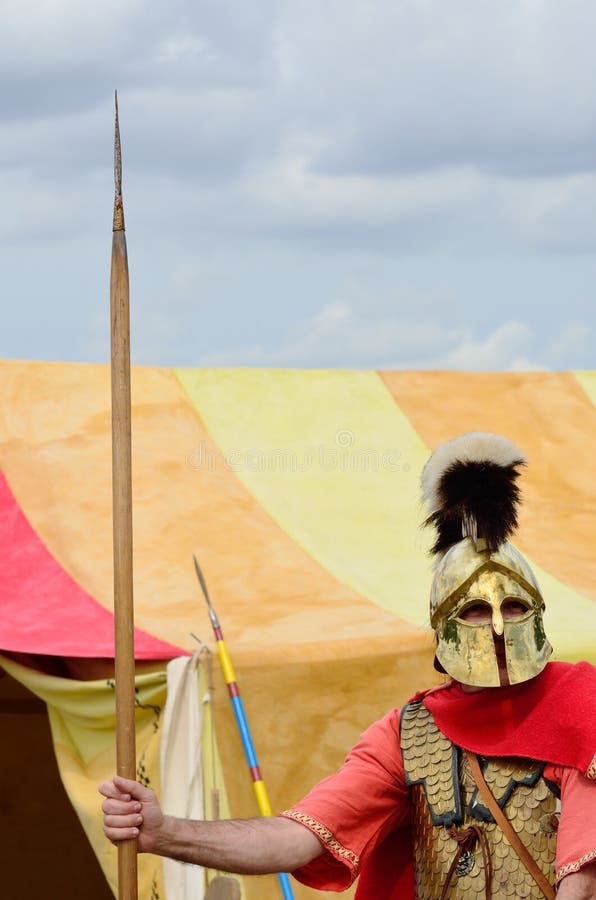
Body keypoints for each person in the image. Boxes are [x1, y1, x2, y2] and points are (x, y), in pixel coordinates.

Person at [100, 433, 596, 898]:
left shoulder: (581, 704)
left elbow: (583, 873)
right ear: (443, 624)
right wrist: (165, 832)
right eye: (474, 609)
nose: (497, 626)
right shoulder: (408, 735)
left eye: (514, 606)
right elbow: (299, 836)